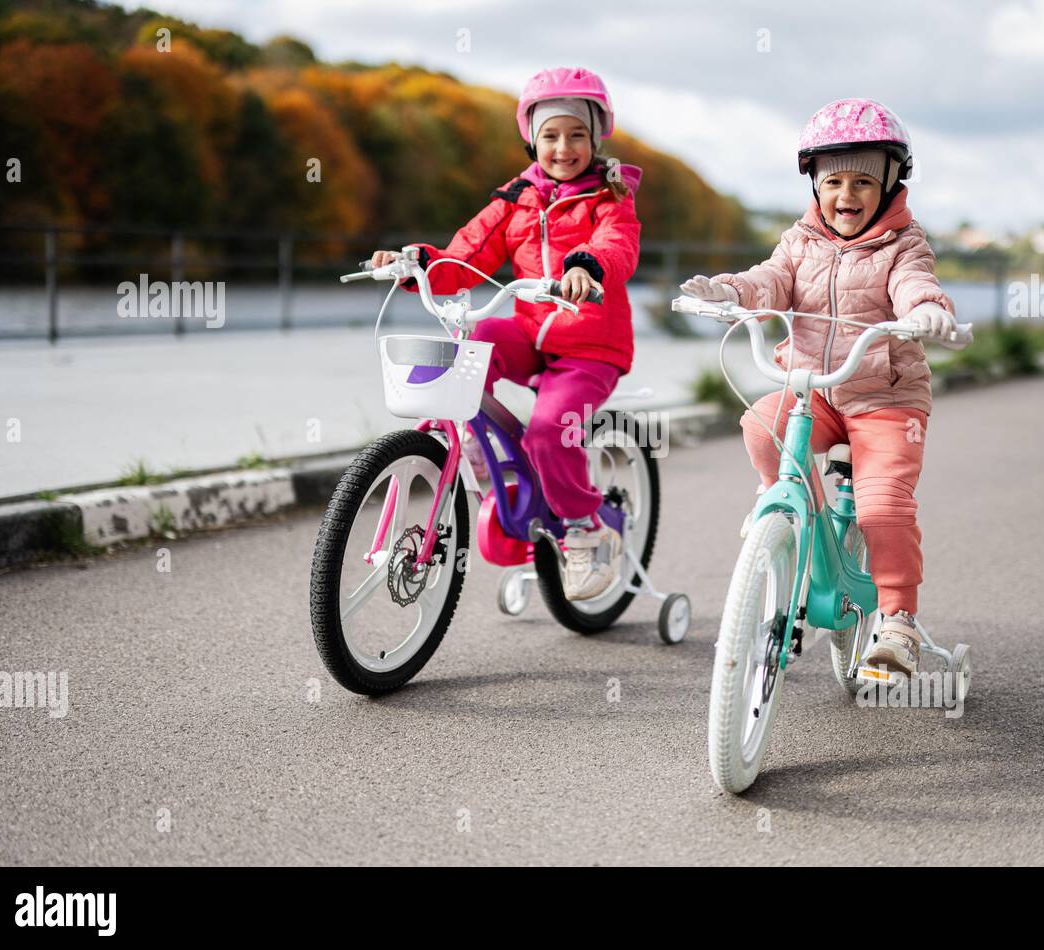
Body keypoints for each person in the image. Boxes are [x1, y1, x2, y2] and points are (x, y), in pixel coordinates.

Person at [680, 98, 964, 677]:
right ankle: (782, 503)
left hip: (885, 398)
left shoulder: (904, 244)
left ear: (890, 185)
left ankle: (896, 621)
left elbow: (916, 283)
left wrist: (927, 309)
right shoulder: (800, 241)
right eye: (834, 180)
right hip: (818, 390)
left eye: (864, 180)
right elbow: (772, 280)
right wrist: (731, 292)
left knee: (884, 506)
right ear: (814, 183)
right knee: (761, 422)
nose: (847, 194)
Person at [372, 67, 641, 600]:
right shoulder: (516, 199)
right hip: (530, 329)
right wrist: (415, 263)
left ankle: (586, 527)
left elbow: (618, 244)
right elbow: (463, 259)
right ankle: (484, 458)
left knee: (548, 431)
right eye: (550, 135)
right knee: (473, 347)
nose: (563, 147)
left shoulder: (611, 196)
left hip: (590, 345)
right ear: (532, 140)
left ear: (595, 138)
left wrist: (586, 266)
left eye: (576, 135)